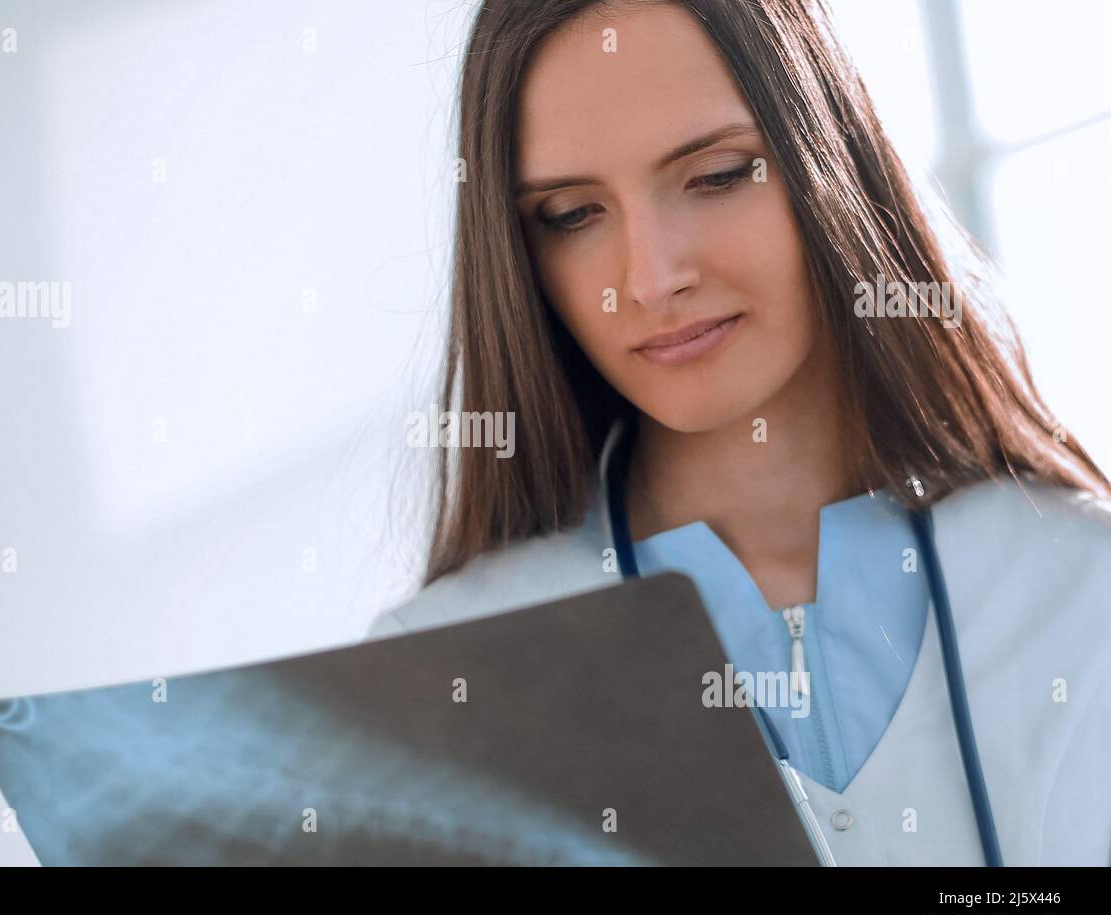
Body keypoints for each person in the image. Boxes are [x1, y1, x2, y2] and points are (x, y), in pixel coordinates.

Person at [366, 0, 1111, 866]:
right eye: (571, 214)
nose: (649, 279)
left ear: (830, 156)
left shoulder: (1080, 584)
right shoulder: (449, 671)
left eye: (717, 174)